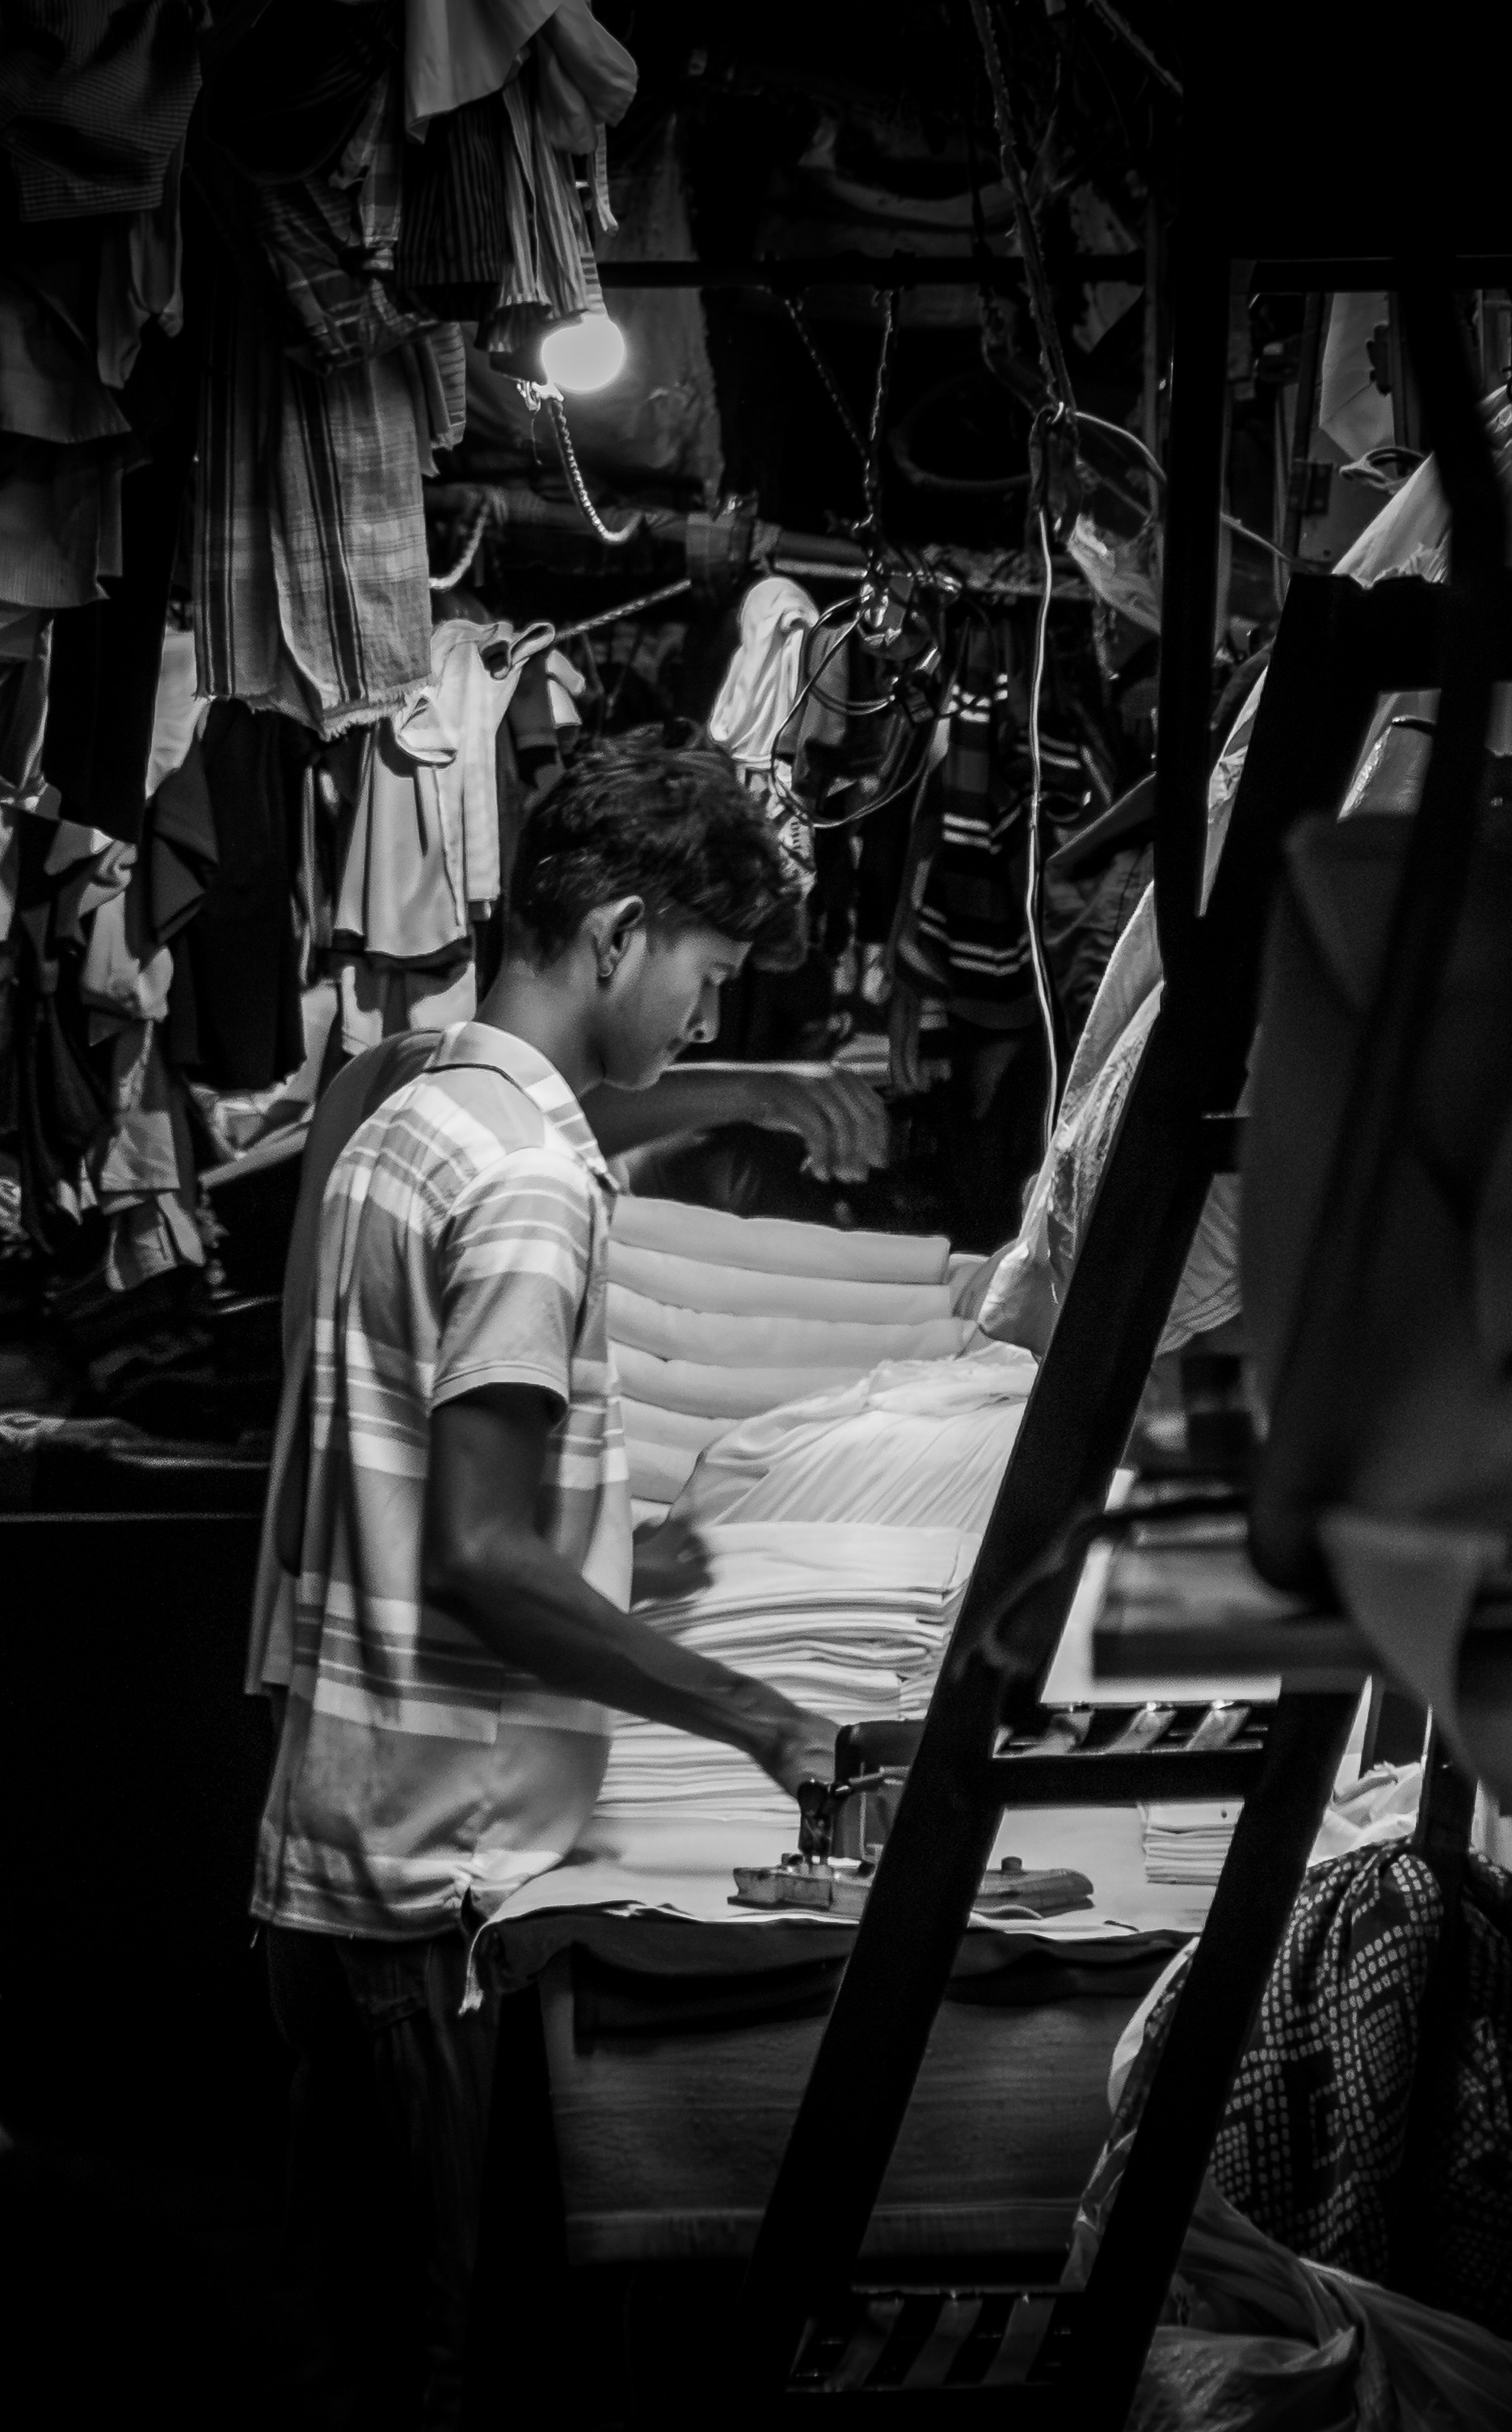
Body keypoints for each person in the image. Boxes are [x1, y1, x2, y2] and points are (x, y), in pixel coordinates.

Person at [251, 734, 876, 2427]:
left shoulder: (407, 1125)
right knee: (473, 2369)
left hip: (334, 1848)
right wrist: (766, 1719)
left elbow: (412, 1497)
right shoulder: (533, 1190)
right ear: (615, 933)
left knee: (339, 2341)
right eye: (703, 969)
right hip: (444, 1882)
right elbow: (476, 1551)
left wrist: (624, 1553)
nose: (700, 1009)